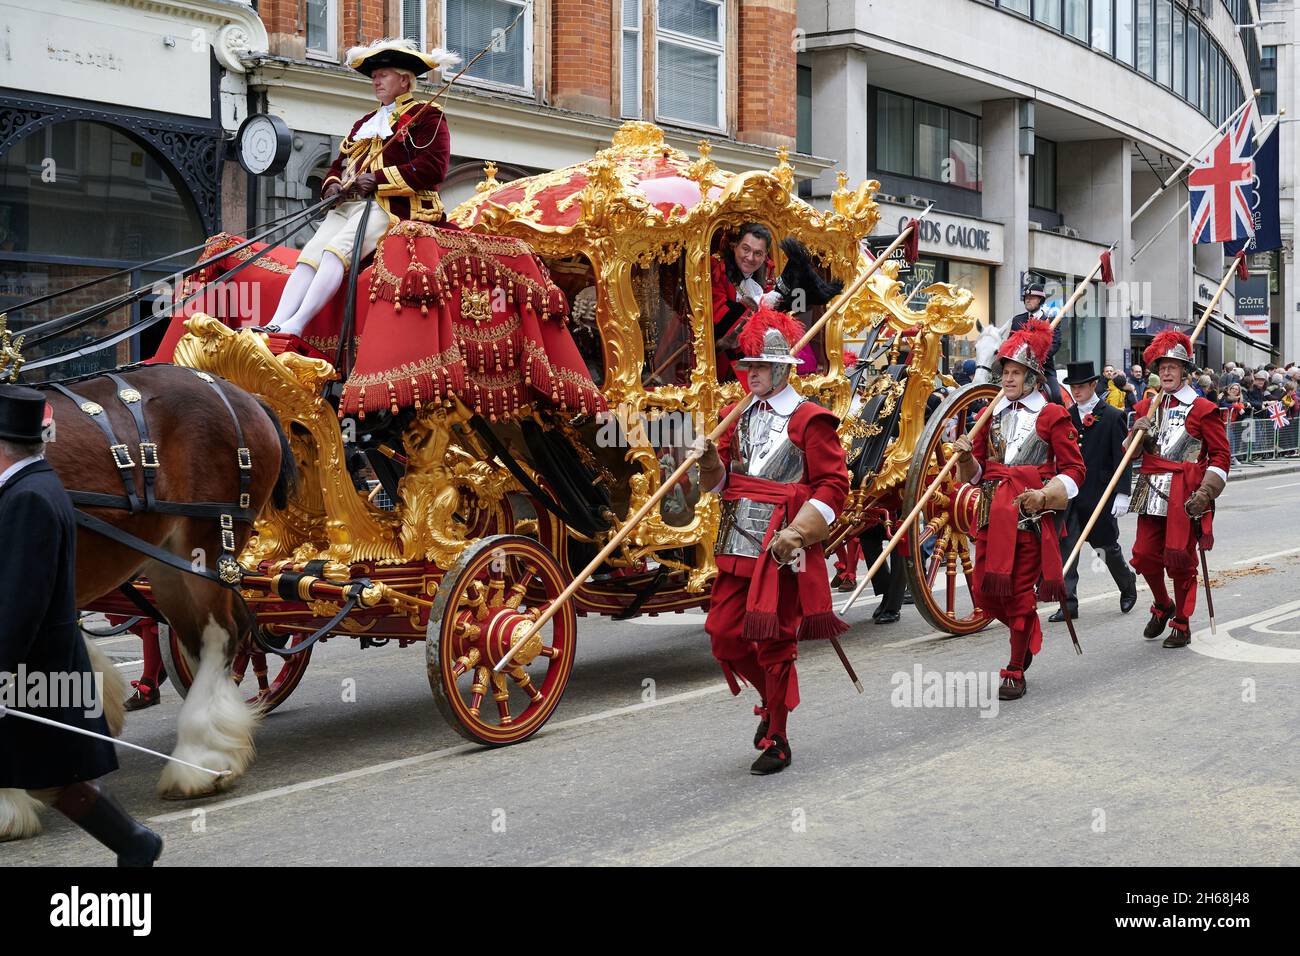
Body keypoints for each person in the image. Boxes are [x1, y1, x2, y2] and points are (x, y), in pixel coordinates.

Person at [0, 385, 162, 865]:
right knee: (59, 780)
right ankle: (134, 843)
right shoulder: (34, 485)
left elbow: (20, 601)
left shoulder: (28, 498)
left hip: (33, 672)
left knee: (61, 780)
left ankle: (135, 842)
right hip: (39, 668)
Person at [693, 306, 849, 774]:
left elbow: (834, 487)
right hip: (738, 541)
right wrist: (707, 463)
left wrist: (799, 533)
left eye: (759, 366)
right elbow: (720, 485)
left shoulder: (809, 419)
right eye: (747, 366)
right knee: (724, 636)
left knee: (778, 641)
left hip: (784, 547)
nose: (751, 374)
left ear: (782, 368)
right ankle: (770, 697)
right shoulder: (732, 416)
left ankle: (778, 733)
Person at [267, 38, 458, 338]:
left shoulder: (427, 115)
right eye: (374, 75)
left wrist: (378, 180)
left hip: (390, 206)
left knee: (334, 253)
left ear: (405, 80)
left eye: (384, 74)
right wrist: (331, 187)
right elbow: (338, 164)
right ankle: (277, 321)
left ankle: (298, 324)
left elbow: (434, 167)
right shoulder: (365, 123)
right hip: (348, 203)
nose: (375, 80)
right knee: (310, 255)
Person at [953, 319, 1084, 700]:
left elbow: (1075, 470)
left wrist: (1046, 496)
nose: (1007, 379)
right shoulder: (988, 416)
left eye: (1015, 373)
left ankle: (1014, 667)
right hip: (991, 515)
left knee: (1018, 595)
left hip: (1029, 517)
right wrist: (964, 459)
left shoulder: (1052, 415)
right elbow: (975, 476)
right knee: (984, 592)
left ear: (1031, 378)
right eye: (1005, 372)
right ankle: (1025, 631)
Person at [1127, 332, 1231, 647]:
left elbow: (1221, 456)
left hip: (1185, 494)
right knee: (1144, 556)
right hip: (1150, 488)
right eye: (1164, 366)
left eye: (1174, 366)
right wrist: (1137, 433)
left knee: (1180, 560)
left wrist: (1206, 491)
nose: (1168, 372)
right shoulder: (1146, 403)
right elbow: (1129, 455)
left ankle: (1182, 620)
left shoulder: (1201, 408)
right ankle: (1162, 604)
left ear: (1185, 371)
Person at [1049, 362, 1138, 623]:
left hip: (1100, 494)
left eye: (1080, 387)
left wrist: (1122, 493)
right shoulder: (1067, 416)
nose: (1076, 391)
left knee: (1106, 547)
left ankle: (1127, 584)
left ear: (1091, 385)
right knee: (1068, 548)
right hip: (1071, 494)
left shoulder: (1112, 415)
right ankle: (1069, 602)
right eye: (1072, 387)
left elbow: (1122, 458)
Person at [1009, 282, 1064, 404]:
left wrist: (1036, 356)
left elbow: (1055, 344)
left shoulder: (1050, 321)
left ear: (1040, 300)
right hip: (1018, 367)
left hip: (1043, 369)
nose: (1028, 300)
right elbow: (1010, 343)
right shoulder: (1017, 320)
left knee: (1056, 397)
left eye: (1032, 298)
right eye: (1026, 298)